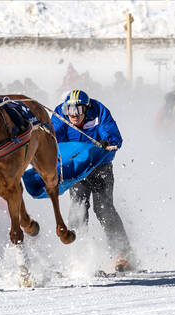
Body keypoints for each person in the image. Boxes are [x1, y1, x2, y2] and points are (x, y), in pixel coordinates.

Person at [52, 89, 133, 272]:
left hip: (100, 166)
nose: (74, 115)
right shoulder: (60, 115)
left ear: (87, 109)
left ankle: (122, 253)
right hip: (77, 169)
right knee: (78, 208)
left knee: (103, 208)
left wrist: (107, 142)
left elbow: (112, 134)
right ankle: (78, 256)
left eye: (79, 110)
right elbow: (53, 135)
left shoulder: (98, 111)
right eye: (70, 110)